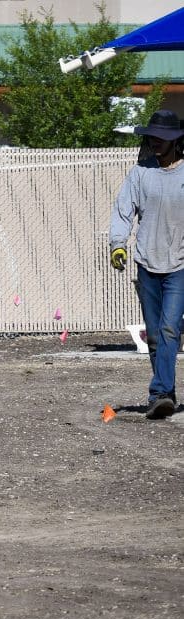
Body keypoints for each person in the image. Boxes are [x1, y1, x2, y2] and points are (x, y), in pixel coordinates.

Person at [110, 110, 184, 419]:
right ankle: (165, 393)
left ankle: (159, 392)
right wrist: (118, 245)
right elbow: (123, 210)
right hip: (147, 264)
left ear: (175, 141)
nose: (155, 141)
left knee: (169, 329)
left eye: (162, 137)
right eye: (152, 136)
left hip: (179, 265)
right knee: (154, 334)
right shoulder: (140, 173)